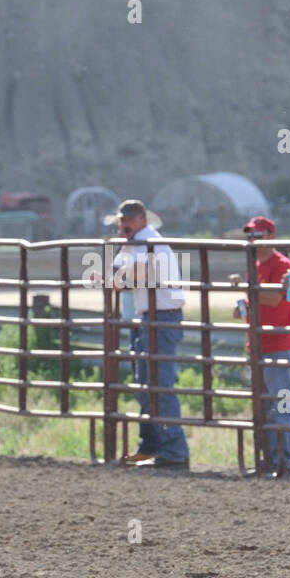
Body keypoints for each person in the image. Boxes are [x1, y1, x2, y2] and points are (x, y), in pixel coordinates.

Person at [108, 199, 190, 470]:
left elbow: (125, 278)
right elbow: (120, 278)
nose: (125, 224)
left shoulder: (145, 242)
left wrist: (121, 274)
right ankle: (155, 445)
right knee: (149, 383)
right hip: (152, 316)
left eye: (129, 219)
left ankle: (172, 449)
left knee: (157, 384)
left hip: (160, 316)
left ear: (142, 219)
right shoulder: (139, 242)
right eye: (122, 220)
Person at [228, 216, 290, 478]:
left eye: (256, 235)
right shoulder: (256, 265)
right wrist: (245, 303)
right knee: (268, 406)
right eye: (249, 236)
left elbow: (272, 298)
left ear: (270, 236)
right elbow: (260, 299)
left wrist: (248, 291)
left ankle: (284, 462)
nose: (252, 240)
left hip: (277, 343)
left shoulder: (282, 264)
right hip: (261, 343)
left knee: (281, 404)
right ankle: (271, 460)